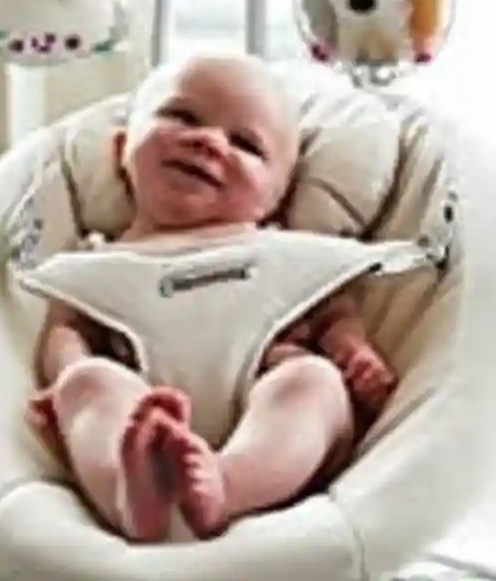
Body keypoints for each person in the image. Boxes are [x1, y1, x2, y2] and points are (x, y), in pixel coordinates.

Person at [25, 53, 397, 542]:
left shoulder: (280, 252)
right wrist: (69, 373)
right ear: (120, 149)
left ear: (278, 196)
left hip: (262, 391)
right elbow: (65, 329)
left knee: (313, 382)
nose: (209, 142)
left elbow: (333, 311)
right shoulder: (95, 260)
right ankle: (131, 491)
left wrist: (353, 352)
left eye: (246, 144)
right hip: (141, 397)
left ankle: (228, 484)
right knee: (90, 384)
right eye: (182, 116)